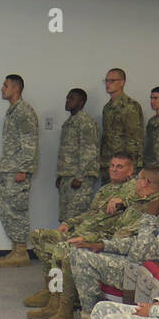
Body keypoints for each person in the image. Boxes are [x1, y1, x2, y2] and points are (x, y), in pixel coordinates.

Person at [64, 172, 159, 319]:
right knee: (81, 251)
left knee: (83, 258)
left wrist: (149, 217)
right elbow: (136, 243)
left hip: (148, 275)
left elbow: (143, 255)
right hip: (138, 267)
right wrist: (103, 245)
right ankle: (89, 318)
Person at [24, 154, 136, 310]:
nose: (114, 170)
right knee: (39, 236)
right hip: (81, 230)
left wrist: (123, 201)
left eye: (120, 166)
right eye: (112, 165)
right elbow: (90, 213)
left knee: (62, 247)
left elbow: (144, 199)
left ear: (131, 171)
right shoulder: (106, 189)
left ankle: (61, 299)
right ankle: (51, 288)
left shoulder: (134, 189)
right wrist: (69, 223)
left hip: (99, 236)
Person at [0, 74, 40, 267]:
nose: (2, 89)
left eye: (5, 86)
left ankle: (21, 252)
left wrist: (23, 169)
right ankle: (16, 250)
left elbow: (30, 143)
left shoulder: (23, 111)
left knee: (16, 210)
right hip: (9, 169)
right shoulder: (13, 111)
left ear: (16, 89)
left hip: (17, 171)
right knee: (7, 210)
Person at [55, 87, 100, 224]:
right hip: (68, 177)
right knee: (65, 218)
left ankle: (77, 245)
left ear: (81, 102)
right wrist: (61, 176)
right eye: (67, 98)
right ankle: (66, 245)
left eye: (72, 98)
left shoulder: (85, 122)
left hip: (79, 178)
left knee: (76, 218)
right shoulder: (70, 122)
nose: (68, 101)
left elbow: (90, 151)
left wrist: (80, 177)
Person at [99, 67, 142, 180]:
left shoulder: (130, 106)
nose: (108, 84)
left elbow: (134, 140)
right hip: (108, 163)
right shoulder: (107, 107)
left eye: (112, 81)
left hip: (123, 166)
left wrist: (131, 168)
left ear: (122, 82)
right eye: (106, 81)